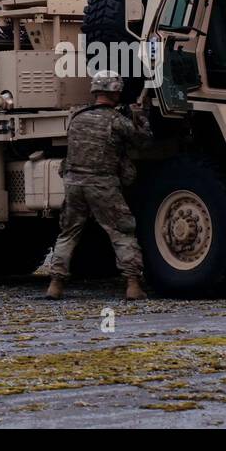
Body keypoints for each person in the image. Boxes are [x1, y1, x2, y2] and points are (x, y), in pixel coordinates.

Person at [46, 70, 152, 300]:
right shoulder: (116, 120)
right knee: (122, 231)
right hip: (102, 183)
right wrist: (141, 115)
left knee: (68, 233)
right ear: (115, 92)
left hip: (74, 182)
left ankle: (55, 284)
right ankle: (133, 285)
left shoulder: (77, 116)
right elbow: (143, 140)